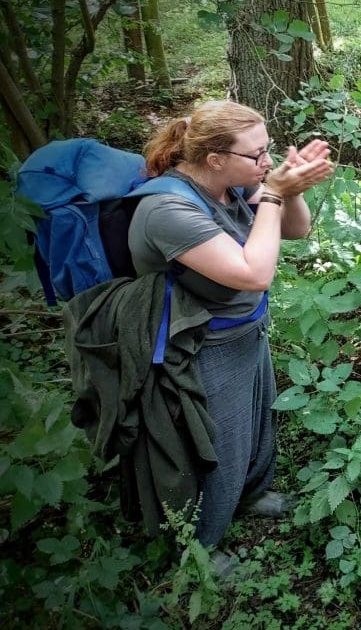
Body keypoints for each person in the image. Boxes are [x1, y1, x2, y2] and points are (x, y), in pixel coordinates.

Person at [128, 99, 334, 547]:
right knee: (220, 444)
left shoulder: (230, 185)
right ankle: (202, 544)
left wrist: (290, 190)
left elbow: (294, 230)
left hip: (246, 329)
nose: (267, 162)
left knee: (258, 424)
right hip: (203, 344)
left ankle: (252, 493)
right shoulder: (168, 209)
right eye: (256, 154)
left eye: (269, 151)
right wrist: (276, 192)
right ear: (216, 158)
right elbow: (254, 274)